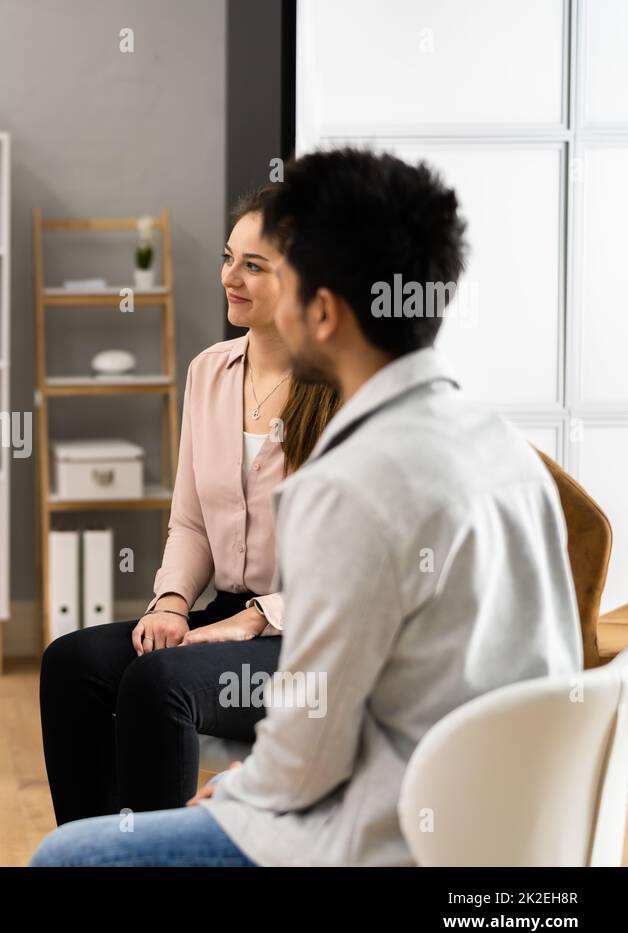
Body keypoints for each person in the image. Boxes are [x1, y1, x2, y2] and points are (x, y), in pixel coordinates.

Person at [32, 147, 582, 866]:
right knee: (86, 672)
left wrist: (234, 792)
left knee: (62, 860)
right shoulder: (507, 451)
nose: (246, 284)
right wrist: (174, 604)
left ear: (319, 310)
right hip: (516, 843)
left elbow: (305, 754)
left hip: (379, 840)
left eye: (276, 275)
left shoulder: (351, 485)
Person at [39, 187, 340, 824]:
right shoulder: (210, 372)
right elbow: (191, 521)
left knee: (159, 683)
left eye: (254, 266)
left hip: (308, 638)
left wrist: (254, 621)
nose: (229, 276)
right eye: (231, 258)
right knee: (73, 663)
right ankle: (92, 858)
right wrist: (173, 602)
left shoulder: (344, 391)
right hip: (225, 615)